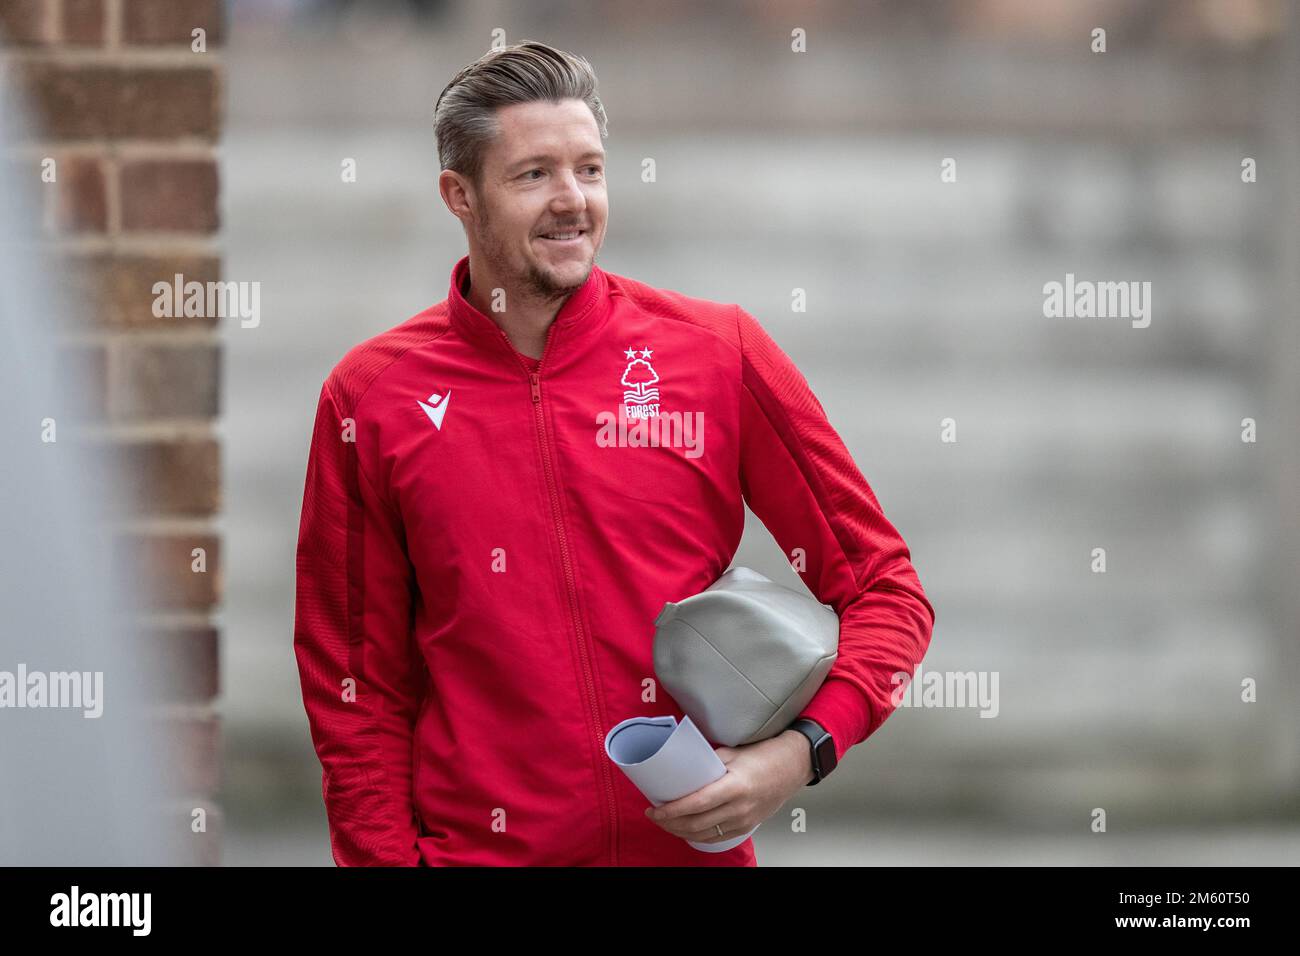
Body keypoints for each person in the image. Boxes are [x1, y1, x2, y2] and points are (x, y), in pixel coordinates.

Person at [293, 40, 935, 866]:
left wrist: (799, 753)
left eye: (589, 170)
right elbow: (354, 691)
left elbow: (888, 591)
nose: (572, 202)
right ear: (460, 195)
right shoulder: (370, 398)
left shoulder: (718, 353)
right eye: (533, 176)